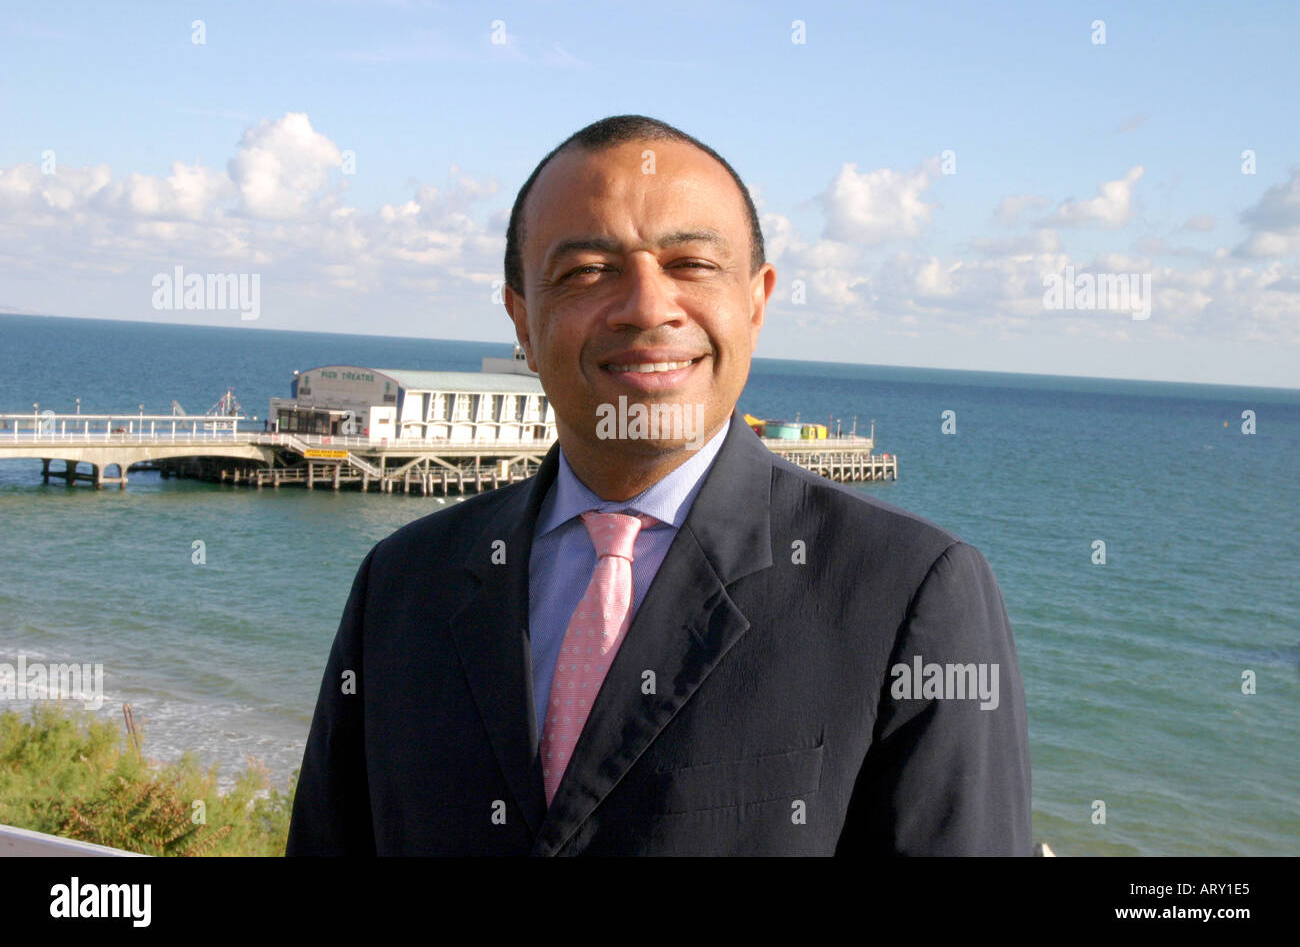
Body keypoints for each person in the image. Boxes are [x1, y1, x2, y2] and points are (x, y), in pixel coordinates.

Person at [286, 114, 1031, 856]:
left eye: (692, 264)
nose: (646, 306)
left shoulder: (906, 591)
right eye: (586, 272)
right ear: (521, 318)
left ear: (757, 301)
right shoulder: (403, 582)